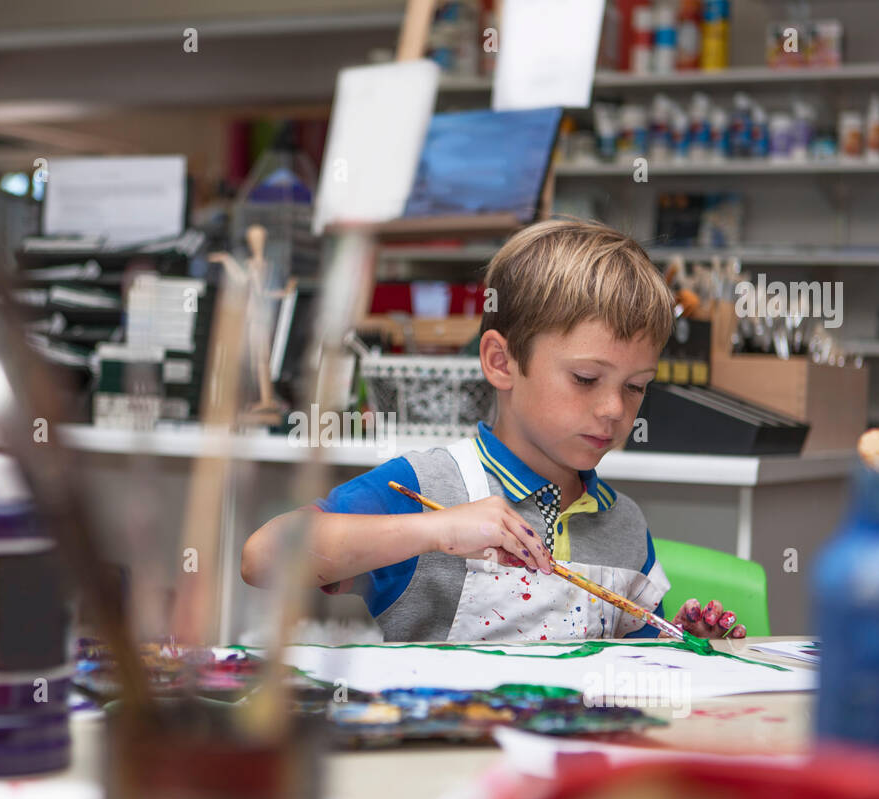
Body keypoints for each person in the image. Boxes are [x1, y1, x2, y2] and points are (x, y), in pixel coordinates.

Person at [242, 218, 745, 643]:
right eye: (586, 379)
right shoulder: (430, 486)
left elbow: (635, 664)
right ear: (501, 362)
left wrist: (682, 650)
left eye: (635, 387)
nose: (614, 409)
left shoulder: (625, 525)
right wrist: (437, 530)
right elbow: (262, 558)